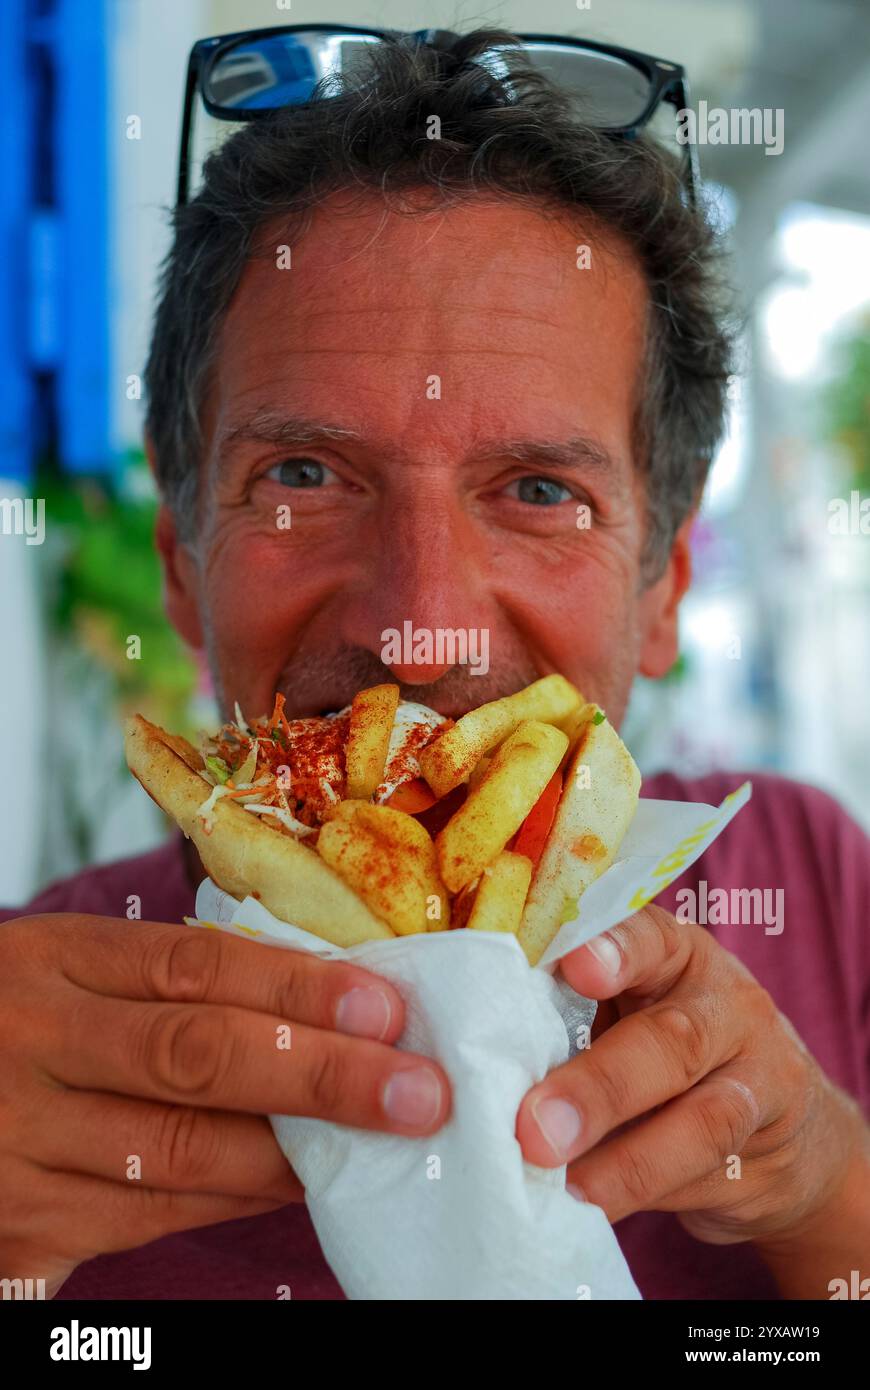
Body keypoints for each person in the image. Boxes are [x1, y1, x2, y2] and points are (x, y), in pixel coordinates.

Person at [1, 28, 867, 1302]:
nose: (420, 622)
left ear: (664, 587)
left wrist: (829, 1195)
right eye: (301, 476)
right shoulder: (41, 1028)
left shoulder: (817, 894)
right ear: (183, 570)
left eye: (535, 489)